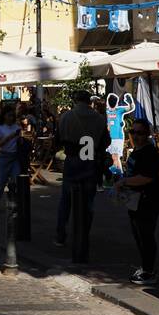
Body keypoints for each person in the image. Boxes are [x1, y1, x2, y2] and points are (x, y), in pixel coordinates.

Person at [54, 88, 110, 259]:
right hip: (90, 162)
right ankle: (83, 233)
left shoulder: (67, 116)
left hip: (72, 161)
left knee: (66, 200)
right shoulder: (99, 118)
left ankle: (61, 235)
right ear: (89, 101)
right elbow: (106, 141)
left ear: (76, 100)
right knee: (88, 202)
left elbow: (58, 140)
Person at [115, 118, 159, 285]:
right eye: (133, 132)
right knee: (138, 234)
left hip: (149, 198)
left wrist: (124, 182)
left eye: (140, 133)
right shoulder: (137, 150)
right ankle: (145, 267)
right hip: (136, 199)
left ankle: (149, 271)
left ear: (147, 134)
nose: (135, 136)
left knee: (145, 235)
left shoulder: (149, 152)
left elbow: (146, 178)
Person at [0, 106, 21, 208]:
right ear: (4, 116)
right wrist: (10, 137)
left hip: (15, 156)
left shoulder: (16, 127)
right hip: (4, 156)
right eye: (9, 116)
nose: (11, 118)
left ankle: (13, 199)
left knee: (16, 179)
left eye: (12, 116)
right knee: (1, 181)